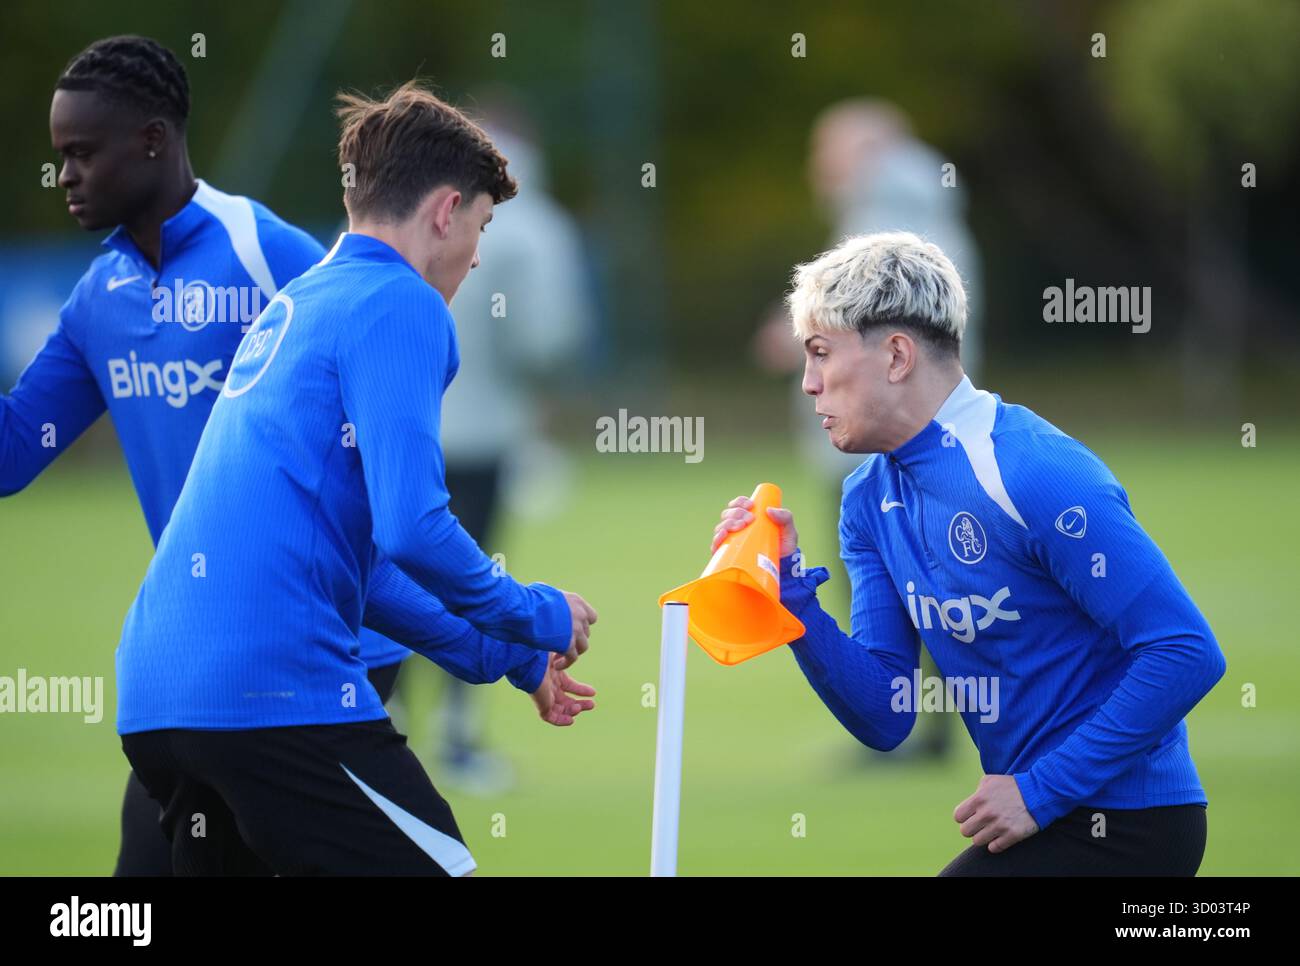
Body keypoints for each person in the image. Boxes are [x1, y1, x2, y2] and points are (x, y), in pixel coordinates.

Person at [114, 79, 597, 875]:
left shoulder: (303, 301)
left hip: (161, 697)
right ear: (445, 211)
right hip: (273, 693)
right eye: (479, 225)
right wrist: (536, 612)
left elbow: (363, 568)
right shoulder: (398, 302)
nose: (477, 255)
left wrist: (510, 653)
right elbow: (414, 527)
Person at [714, 231, 1225, 875]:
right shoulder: (867, 499)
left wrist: (1040, 789)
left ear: (897, 355)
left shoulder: (1034, 470)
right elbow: (886, 713)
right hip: (1044, 824)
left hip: (1128, 825)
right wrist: (789, 597)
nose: (809, 384)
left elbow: (1185, 651)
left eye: (820, 354)